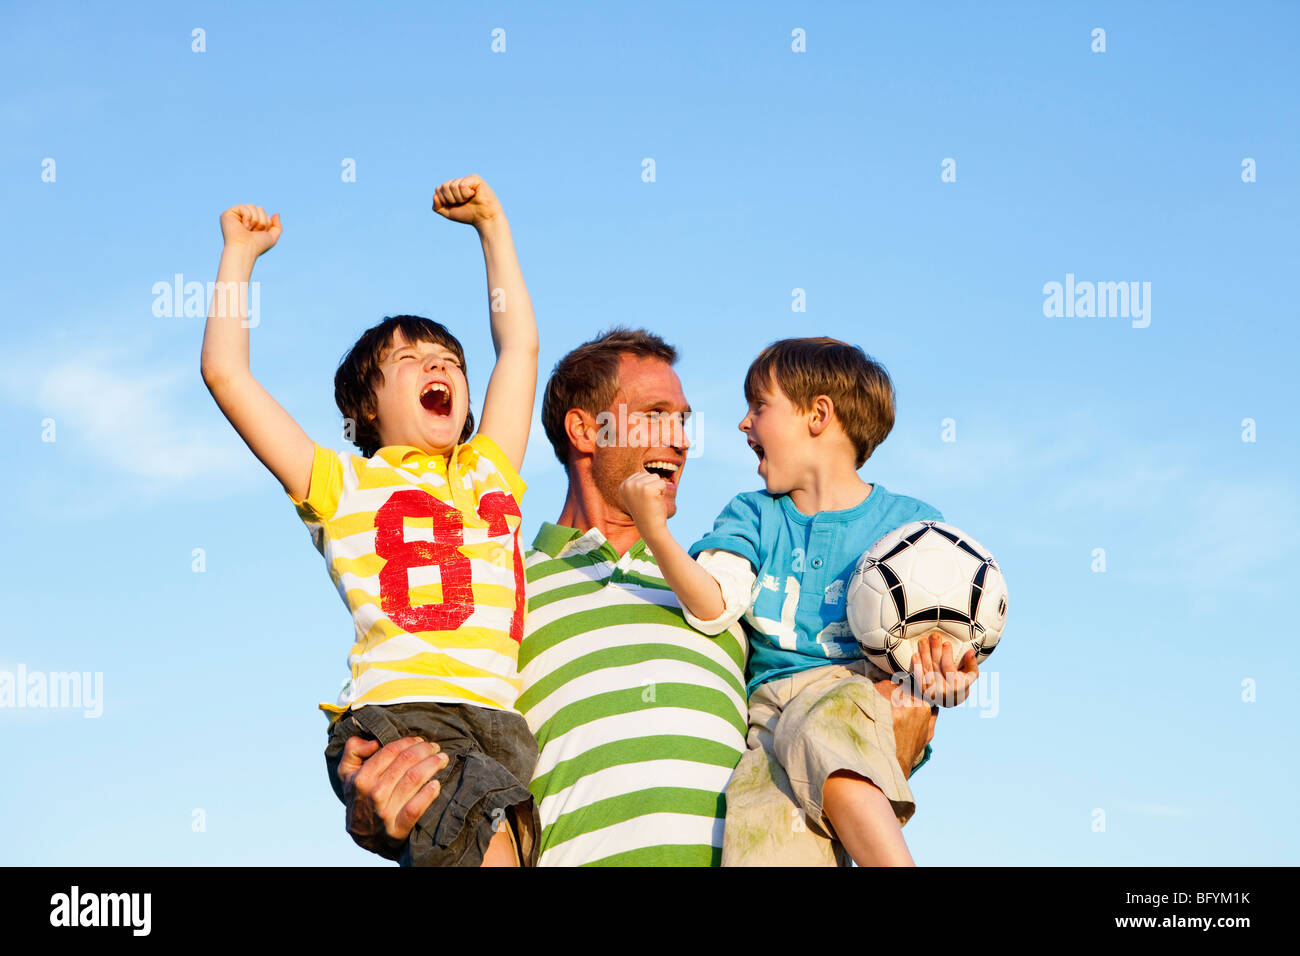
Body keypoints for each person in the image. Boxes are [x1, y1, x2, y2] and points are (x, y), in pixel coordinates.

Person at [336, 330, 957, 866]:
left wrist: (920, 695)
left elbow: (825, 719)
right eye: (658, 415)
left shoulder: (727, 591)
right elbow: (426, 728)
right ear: (584, 429)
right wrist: (376, 785)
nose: (683, 441)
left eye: (683, 422)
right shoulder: (499, 595)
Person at [199, 176, 541, 866]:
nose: (436, 366)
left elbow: (520, 348)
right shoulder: (343, 481)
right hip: (408, 716)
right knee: (490, 846)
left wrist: (492, 226)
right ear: (367, 410)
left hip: (500, 728)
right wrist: (239, 255)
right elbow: (226, 376)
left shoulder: (490, 470)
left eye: (448, 361)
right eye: (409, 361)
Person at [619, 336, 979, 866]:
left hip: (860, 698)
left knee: (823, 723)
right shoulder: (751, 515)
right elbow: (715, 603)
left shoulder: (911, 527)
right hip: (768, 720)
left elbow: (939, 649)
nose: (744, 423)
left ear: (818, 415)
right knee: (757, 822)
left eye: (759, 406)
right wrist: (656, 532)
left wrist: (945, 678)